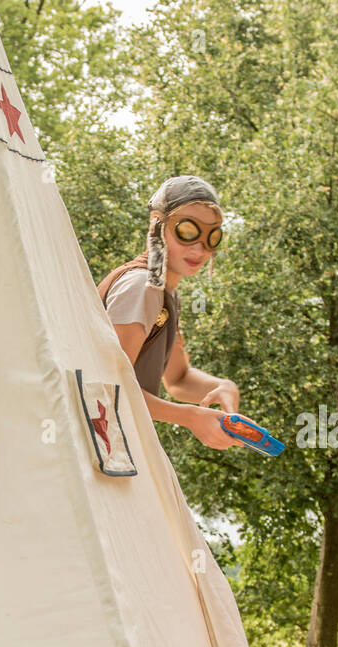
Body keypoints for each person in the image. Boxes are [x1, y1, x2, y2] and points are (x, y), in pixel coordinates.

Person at [99, 175, 246, 449]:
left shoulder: (164, 293)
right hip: (89, 446)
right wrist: (190, 417)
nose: (199, 248)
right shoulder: (141, 287)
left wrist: (223, 387)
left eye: (212, 236)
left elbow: (178, 380)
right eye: (187, 231)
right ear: (157, 226)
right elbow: (109, 386)